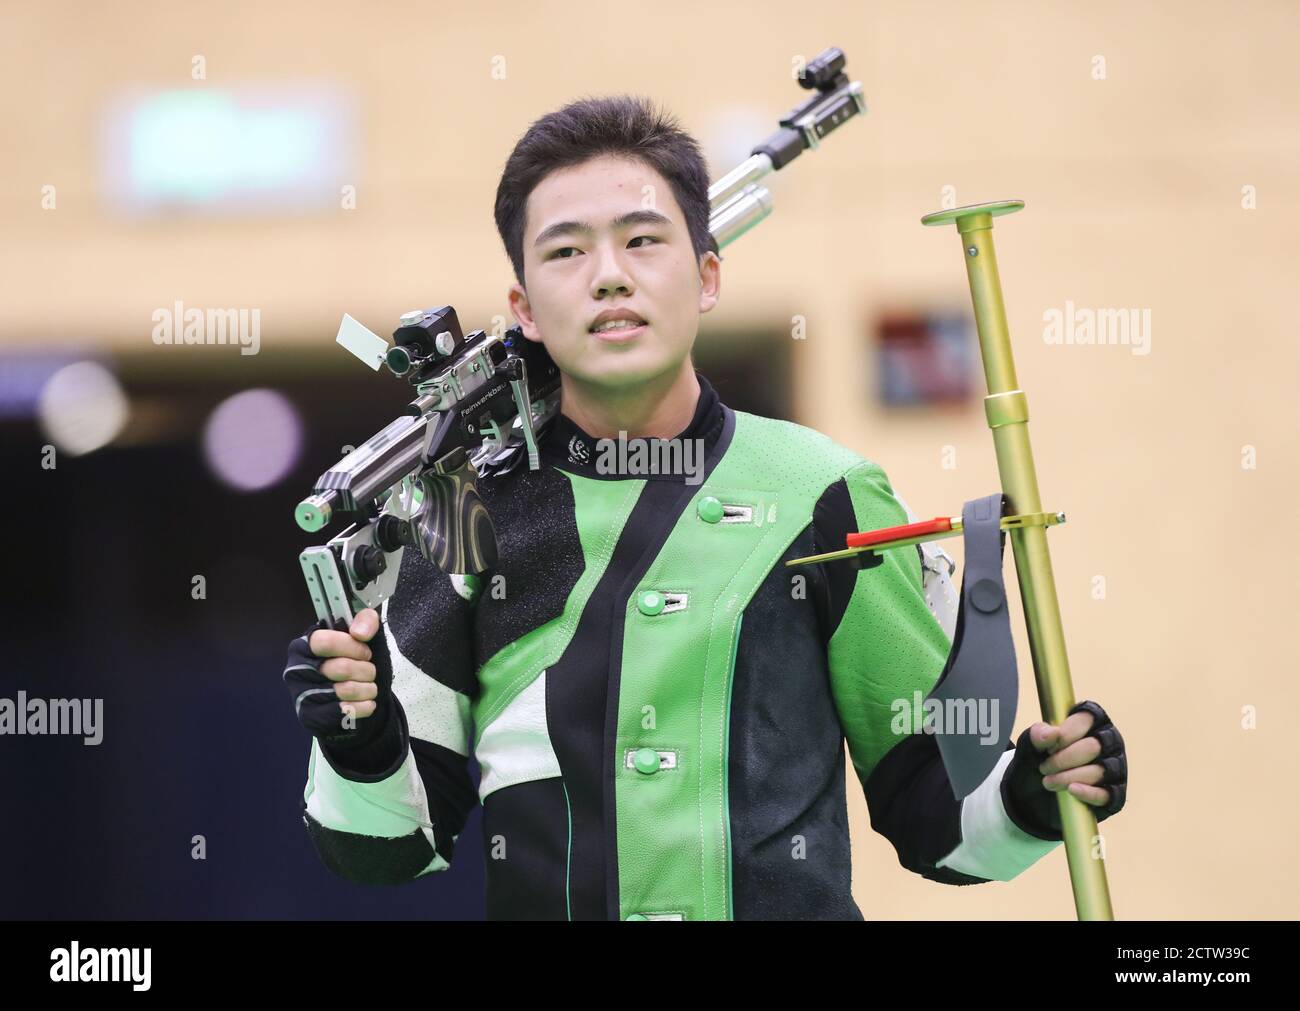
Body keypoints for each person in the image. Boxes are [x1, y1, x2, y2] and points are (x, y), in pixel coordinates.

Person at [282, 95, 1128, 920]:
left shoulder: (823, 491)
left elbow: (931, 810)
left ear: (709, 275)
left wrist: (1028, 795)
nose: (609, 275)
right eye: (567, 252)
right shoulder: (460, 518)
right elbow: (388, 849)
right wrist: (359, 739)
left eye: (644, 241)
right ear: (523, 312)